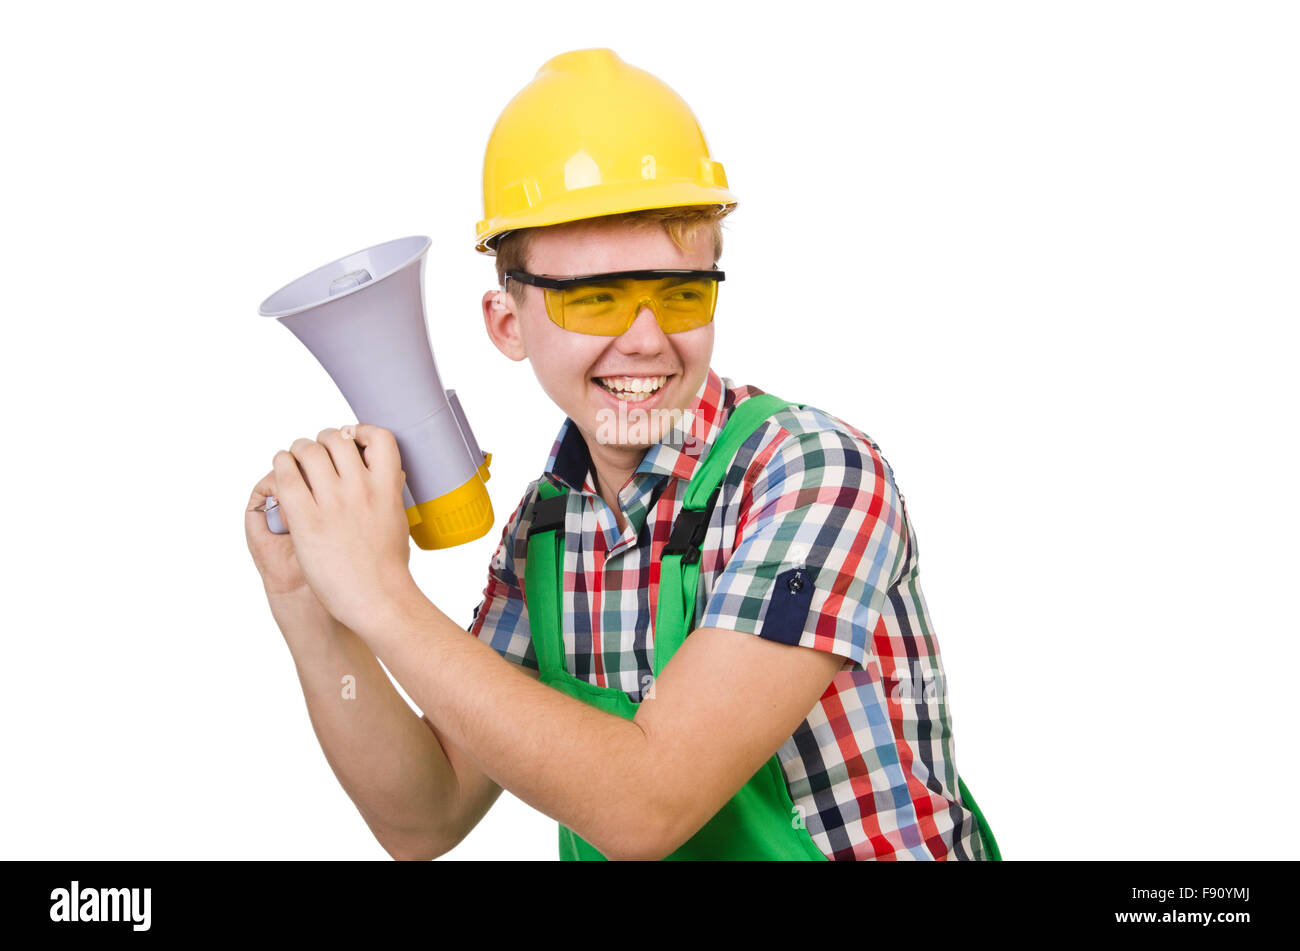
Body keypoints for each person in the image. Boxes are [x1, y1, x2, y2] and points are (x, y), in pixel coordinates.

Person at [245, 48, 995, 860]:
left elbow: (648, 804)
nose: (647, 339)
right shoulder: (548, 525)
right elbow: (425, 815)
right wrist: (313, 606)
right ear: (507, 323)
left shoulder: (815, 475)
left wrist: (385, 597)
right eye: (595, 298)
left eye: (680, 293)